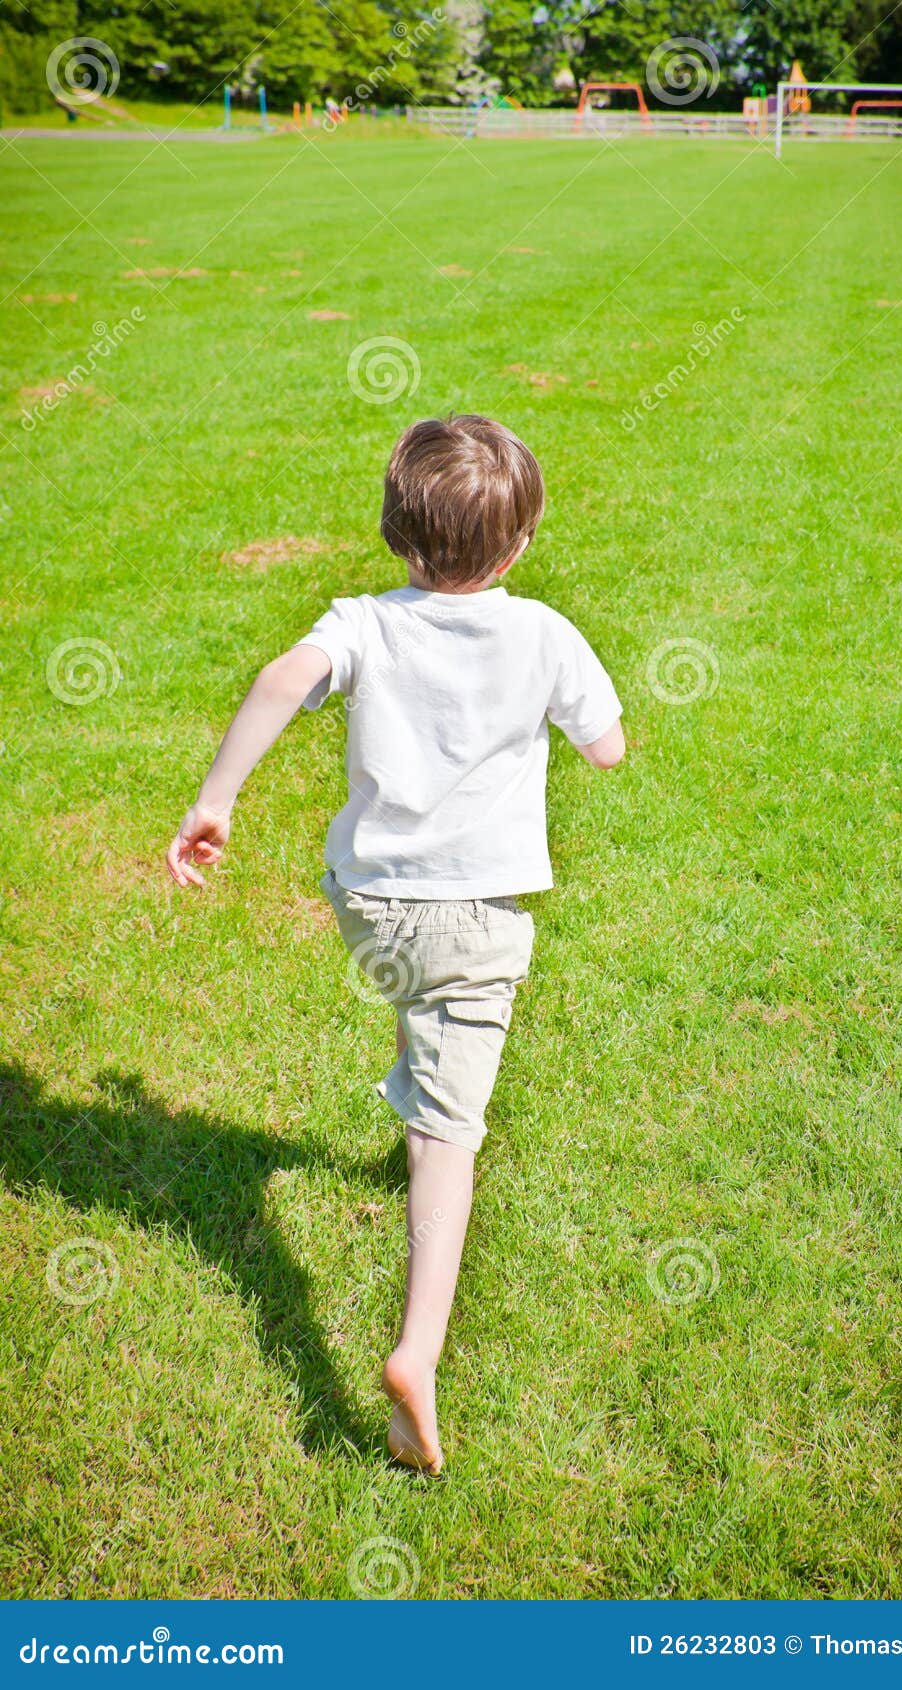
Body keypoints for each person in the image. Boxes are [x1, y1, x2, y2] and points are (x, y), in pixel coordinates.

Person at [166, 414, 625, 1473]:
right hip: (476, 920)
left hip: (367, 906)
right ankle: (416, 1351)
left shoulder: (363, 622)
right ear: (516, 548)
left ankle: (418, 1083)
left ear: (393, 535)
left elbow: (284, 676)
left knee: (421, 1014)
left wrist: (215, 801)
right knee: (448, 1134)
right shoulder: (546, 634)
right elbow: (605, 751)